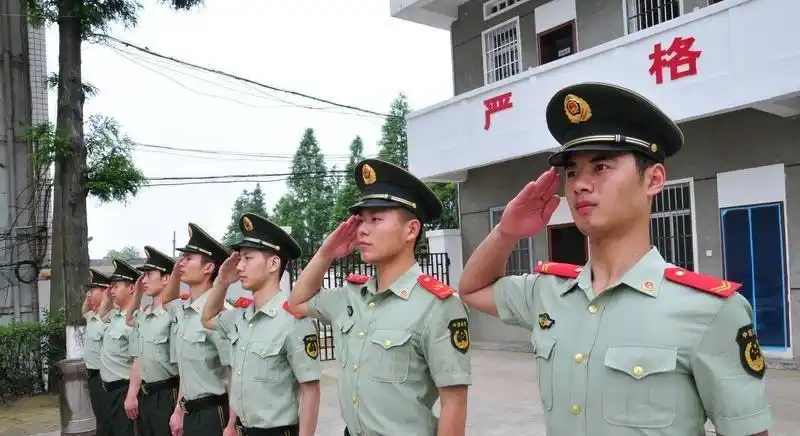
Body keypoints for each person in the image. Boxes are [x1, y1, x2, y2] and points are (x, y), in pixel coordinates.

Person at [457, 82, 772, 436]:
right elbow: (471, 289)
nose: (579, 184)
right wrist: (506, 232)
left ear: (653, 179)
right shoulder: (549, 293)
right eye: (572, 171)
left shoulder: (711, 310)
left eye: (601, 167)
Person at [286, 158, 472, 436]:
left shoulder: (437, 305)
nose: (362, 229)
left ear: (411, 230)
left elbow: (453, 404)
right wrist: (325, 254)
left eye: (376, 219)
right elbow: (296, 302)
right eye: (361, 220)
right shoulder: (350, 296)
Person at [201, 213, 322, 436]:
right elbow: (207, 319)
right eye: (240, 259)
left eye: (248, 258)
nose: (239, 267)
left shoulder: (293, 320)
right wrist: (222, 282)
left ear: (274, 263)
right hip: (242, 429)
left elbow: (311, 391)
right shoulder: (240, 316)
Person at [161, 223, 236, 436]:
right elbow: (189, 373)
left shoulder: (220, 314)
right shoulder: (185, 310)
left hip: (215, 414)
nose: (180, 263)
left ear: (208, 268)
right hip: (191, 412)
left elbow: (233, 375)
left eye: (188, 259)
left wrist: (232, 424)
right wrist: (179, 410)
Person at [124, 246, 180, 436]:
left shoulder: (174, 315)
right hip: (145, 394)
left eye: (149, 274)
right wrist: (132, 393)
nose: (144, 280)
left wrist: (179, 410)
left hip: (168, 393)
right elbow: (138, 358)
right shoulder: (144, 316)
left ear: (166, 278)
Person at [100, 259, 142, 436]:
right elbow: (100, 315)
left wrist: (131, 395)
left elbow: (137, 360)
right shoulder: (115, 316)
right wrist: (108, 297)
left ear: (131, 288)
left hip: (124, 391)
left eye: (116, 286)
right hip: (108, 391)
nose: (111, 291)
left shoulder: (133, 321)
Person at [83, 268, 114, 436]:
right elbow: (84, 311)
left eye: (92, 290)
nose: (88, 294)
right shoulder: (94, 317)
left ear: (105, 291)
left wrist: (106, 302)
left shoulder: (110, 318)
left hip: (103, 376)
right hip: (93, 375)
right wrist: (89, 298)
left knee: (107, 420)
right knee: (100, 418)